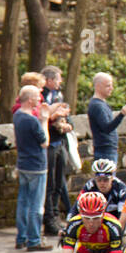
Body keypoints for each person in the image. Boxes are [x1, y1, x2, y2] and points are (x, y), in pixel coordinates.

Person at [14, 86, 53, 252]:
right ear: (30, 100)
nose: (40, 99)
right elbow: (45, 142)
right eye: (38, 97)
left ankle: (21, 237)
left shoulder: (17, 116)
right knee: (36, 206)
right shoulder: (32, 120)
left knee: (23, 202)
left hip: (23, 164)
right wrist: (44, 120)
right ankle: (34, 240)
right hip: (37, 166)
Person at [41, 67, 72, 235]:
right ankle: (49, 219)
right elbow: (41, 119)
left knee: (59, 183)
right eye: (58, 79)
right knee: (50, 183)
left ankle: (55, 216)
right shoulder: (41, 97)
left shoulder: (59, 96)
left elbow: (68, 116)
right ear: (49, 80)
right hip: (50, 144)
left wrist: (68, 125)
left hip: (60, 143)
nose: (60, 82)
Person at [87, 73, 126, 163]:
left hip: (108, 148)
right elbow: (107, 128)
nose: (111, 88)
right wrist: (121, 114)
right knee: (107, 177)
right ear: (98, 86)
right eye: (108, 86)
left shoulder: (102, 103)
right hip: (104, 150)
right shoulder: (97, 106)